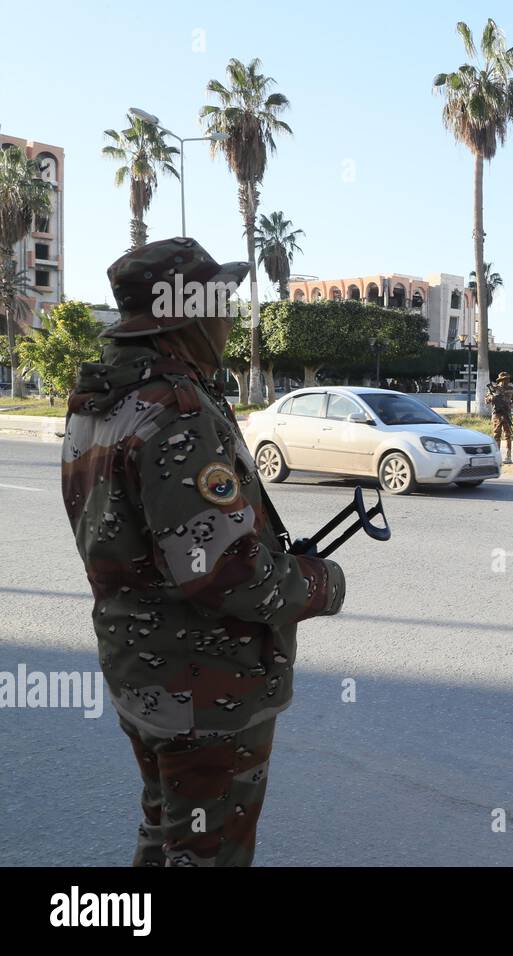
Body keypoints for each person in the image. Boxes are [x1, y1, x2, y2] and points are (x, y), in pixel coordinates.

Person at [60, 237, 347, 866]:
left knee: (167, 836)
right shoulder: (177, 416)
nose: (230, 315)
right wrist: (320, 584)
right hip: (203, 690)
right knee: (207, 852)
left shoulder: (99, 404)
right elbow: (225, 575)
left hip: (141, 672)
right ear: (185, 315)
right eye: (221, 301)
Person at [487, 370, 513, 463]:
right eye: (505, 379)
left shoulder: (511, 388)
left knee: (508, 434)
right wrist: (491, 398)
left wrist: (511, 406)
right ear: (500, 380)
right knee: (496, 435)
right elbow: (487, 400)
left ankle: (508, 456)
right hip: (497, 414)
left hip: (507, 413)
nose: (507, 381)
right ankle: (497, 455)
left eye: (508, 379)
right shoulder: (494, 389)